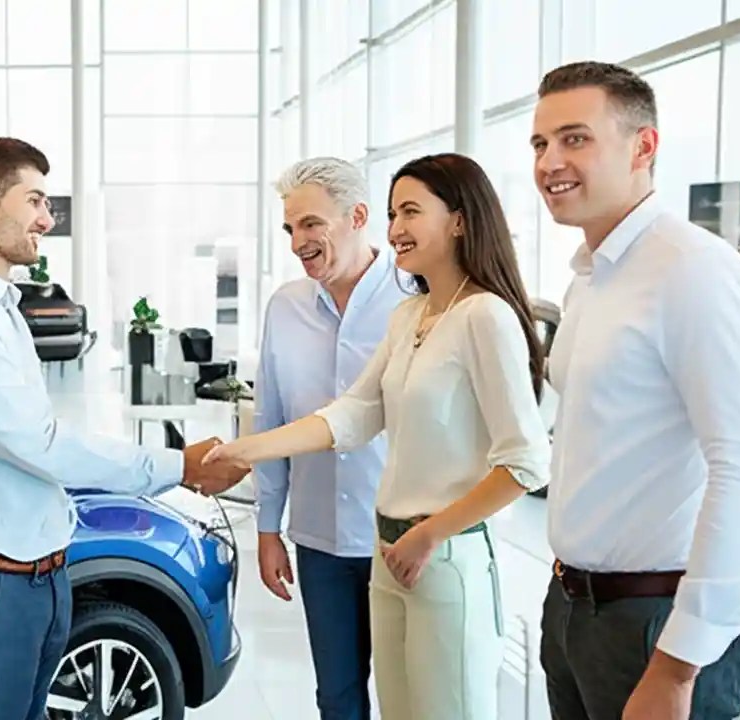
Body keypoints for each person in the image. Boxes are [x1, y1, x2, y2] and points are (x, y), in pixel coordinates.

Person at [0, 137, 249, 720]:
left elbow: (34, 436)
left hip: (38, 575)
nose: (47, 217)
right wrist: (178, 466)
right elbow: (40, 443)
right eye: (34, 200)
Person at [207, 153, 550, 720]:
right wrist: (242, 450)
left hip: (440, 553)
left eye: (410, 212)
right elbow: (352, 416)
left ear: (460, 220)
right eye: (394, 214)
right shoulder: (411, 315)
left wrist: (428, 534)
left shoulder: (486, 316)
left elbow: (526, 462)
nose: (396, 230)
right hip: (387, 548)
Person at [531, 60, 740, 720]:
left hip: (655, 624)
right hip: (576, 608)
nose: (551, 162)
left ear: (644, 146)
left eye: (575, 138)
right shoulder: (592, 279)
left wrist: (678, 663)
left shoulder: (693, 272)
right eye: (540, 144)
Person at [252, 157, 412, 719]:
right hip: (319, 540)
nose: (298, 241)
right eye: (290, 228)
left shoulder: (415, 300)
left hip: (400, 540)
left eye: (310, 224)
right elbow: (269, 419)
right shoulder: (285, 308)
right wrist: (268, 529)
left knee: (409, 697)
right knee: (337, 697)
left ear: (358, 216)